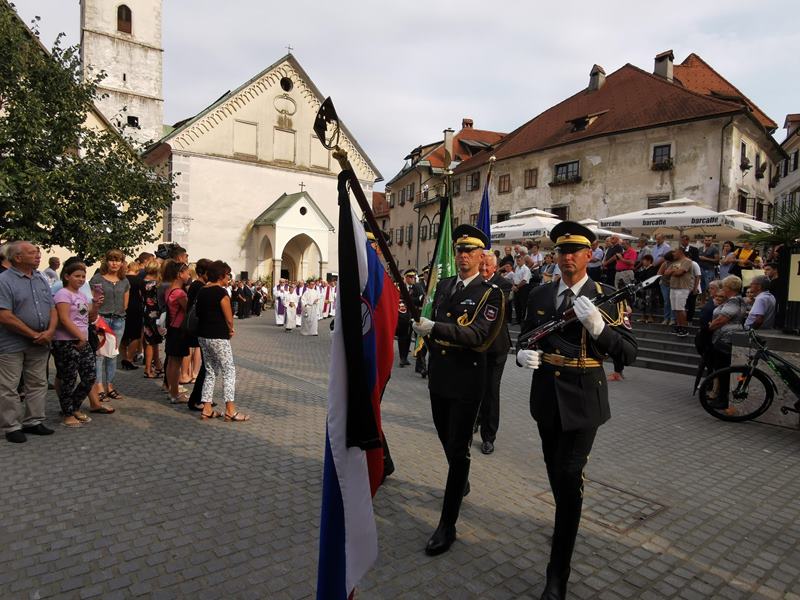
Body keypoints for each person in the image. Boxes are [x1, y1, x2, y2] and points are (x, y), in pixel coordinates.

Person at [517, 222, 636, 599]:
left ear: (589, 255)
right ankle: (565, 517)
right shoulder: (539, 293)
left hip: (584, 398)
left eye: (575, 251)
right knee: (556, 472)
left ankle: (558, 571)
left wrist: (599, 327)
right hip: (546, 395)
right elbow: (525, 335)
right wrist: (521, 355)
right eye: (561, 251)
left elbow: (628, 353)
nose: (567, 257)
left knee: (570, 477)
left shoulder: (608, 296)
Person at [410, 225, 504, 557]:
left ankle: (447, 525)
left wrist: (436, 328)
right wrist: (426, 330)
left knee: (459, 448)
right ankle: (459, 477)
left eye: (470, 251)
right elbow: (436, 322)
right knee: (445, 439)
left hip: (467, 380)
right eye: (459, 251)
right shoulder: (446, 285)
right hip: (441, 376)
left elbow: (479, 335)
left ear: (482, 257)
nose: (463, 256)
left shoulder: (490, 294)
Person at [0, 241, 57, 443]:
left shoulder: (40, 278)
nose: (38, 255)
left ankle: (33, 421)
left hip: (40, 342)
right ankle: (12, 426)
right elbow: (4, 316)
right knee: (9, 386)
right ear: (17, 257)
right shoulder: (4, 281)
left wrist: (49, 331)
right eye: (32, 252)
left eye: (38, 252)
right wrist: (33, 334)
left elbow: (52, 308)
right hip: (11, 344)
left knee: (38, 383)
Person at [195, 261, 248, 422]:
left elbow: (198, 312)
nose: (229, 278)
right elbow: (229, 317)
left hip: (203, 335)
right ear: (220, 276)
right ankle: (230, 409)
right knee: (229, 370)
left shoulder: (202, 291)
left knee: (210, 371)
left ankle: (207, 408)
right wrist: (231, 329)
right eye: (228, 275)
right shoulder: (221, 293)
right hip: (218, 335)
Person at [52, 261, 100, 427]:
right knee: (68, 378)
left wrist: (96, 306)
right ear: (67, 276)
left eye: (83, 276)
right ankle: (67, 414)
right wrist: (80, 336)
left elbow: (86, 317)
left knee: (89, 376)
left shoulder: (81, 295)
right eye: (77, 276)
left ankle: (73, 406)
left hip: (83, 339)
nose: (81, 279)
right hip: (66, 341)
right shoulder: (63, 294)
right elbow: (64, 319)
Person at [476, 251, 511, 455]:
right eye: (481, 266)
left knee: (490, 390)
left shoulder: (503, 285)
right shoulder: (474, 282)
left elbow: (493, 308)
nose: (483, 270)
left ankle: (488, 436)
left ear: (495, 268)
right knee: (474, 387)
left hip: (496, 347)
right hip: (474, 344)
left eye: (487, 266)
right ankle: (476, 421)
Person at [90, 249, 130, 402]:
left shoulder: (124, 281)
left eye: (118, 260)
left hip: (119, 319)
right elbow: (93, 300)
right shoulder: (97, 279)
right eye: (112, 260)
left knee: (113, 354)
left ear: (122, 263)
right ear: (106, 261)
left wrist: (119, 311)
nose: (115, 263)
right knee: (99, 354)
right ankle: (99, 386)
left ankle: (110, 385)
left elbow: (125, 303)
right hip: (102, 319)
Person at [707, 276, 747, 410]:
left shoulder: (734, 302)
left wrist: (710, 327)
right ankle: (721, 397)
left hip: (726, 338)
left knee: (722, 370)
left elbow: (722, 319)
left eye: (724, 287)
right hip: (727, 336)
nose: (722, 289)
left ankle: (722, 399)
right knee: (722, 369)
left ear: (729, 288)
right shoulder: (736, 300)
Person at [164, 261, 191, 404]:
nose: (188, 275)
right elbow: (189, 309)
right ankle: (175, 393)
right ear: (180, 274)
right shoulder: (180, 293)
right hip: (179, 329)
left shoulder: (169, 290)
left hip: (172, 328)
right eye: (186, 272)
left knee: (171, 362)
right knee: (176, 363)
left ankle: (171, 391)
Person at [186, 259, 211, 411]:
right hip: (200, 329)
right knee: (207, 367)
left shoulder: (198, 286)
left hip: (200, 329)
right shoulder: (200, 287)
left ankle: (203, 397)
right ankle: (196, 399)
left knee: (207, 366)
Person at [140, 261, 164, 379]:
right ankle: (148, 368)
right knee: (152, 341)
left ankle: (156, 366)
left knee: (152, 341)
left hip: (145, 312)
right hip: (154, 313)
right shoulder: (156, 284)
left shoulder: (142, 281)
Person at [663, 246, 694, 337]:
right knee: (676, 309)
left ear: (680, 252)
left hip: (682, 287)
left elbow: (679, 273)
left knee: (680, 308)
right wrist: (674, 271)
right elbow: (666, 273)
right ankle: (679, 326)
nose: (673, 254)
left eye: (675, 252)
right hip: (673, 287)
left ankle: (684, 328)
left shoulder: (687, 261)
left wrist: (672, 271)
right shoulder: (674, 262)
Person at [396, 269, 424, 367]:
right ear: (406, 278)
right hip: (402, 316)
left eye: (414, 277)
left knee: (409, 337)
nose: (413, 279)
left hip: (413, 315)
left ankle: (405, 357)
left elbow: (420, 300)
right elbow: (400, 299)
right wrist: (413, 300)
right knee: (402, 336)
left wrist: (411, 300)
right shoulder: (400, 287)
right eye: (411, 277)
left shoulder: (417, 287)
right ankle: (402, 358)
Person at [120, 260, 143, 370]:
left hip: (123, 308)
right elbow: (141, 295)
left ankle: (124, 358)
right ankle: (129, 359)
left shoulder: (122, 279)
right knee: (135, 336)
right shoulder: (139, 281)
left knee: (123, 335)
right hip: (136, 308)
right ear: (137, 270)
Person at [651, 233, 672, 324]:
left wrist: (655, 264)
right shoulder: (655, 247)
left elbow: (665, 258)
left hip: (661, 267)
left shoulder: (667, 247)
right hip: (654, 267)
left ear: (663, 238)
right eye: (656, 239)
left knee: (662, 289)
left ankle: (663, 305)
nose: (657, 240)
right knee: (655, 286)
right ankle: (658, 302)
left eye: (659, 239)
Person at [512, 253, 532, 324]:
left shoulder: (526, 269)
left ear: (523, 261)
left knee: (523, 304)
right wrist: (514, 286)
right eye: (517, 261)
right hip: (516, 287)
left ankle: (523, 320)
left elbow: (524, 280)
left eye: (519, 260)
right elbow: (514, 278)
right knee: (517, 304)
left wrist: (517, 287)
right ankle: (518, 320)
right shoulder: (517, 268)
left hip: (523, 288)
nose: (518, 262)